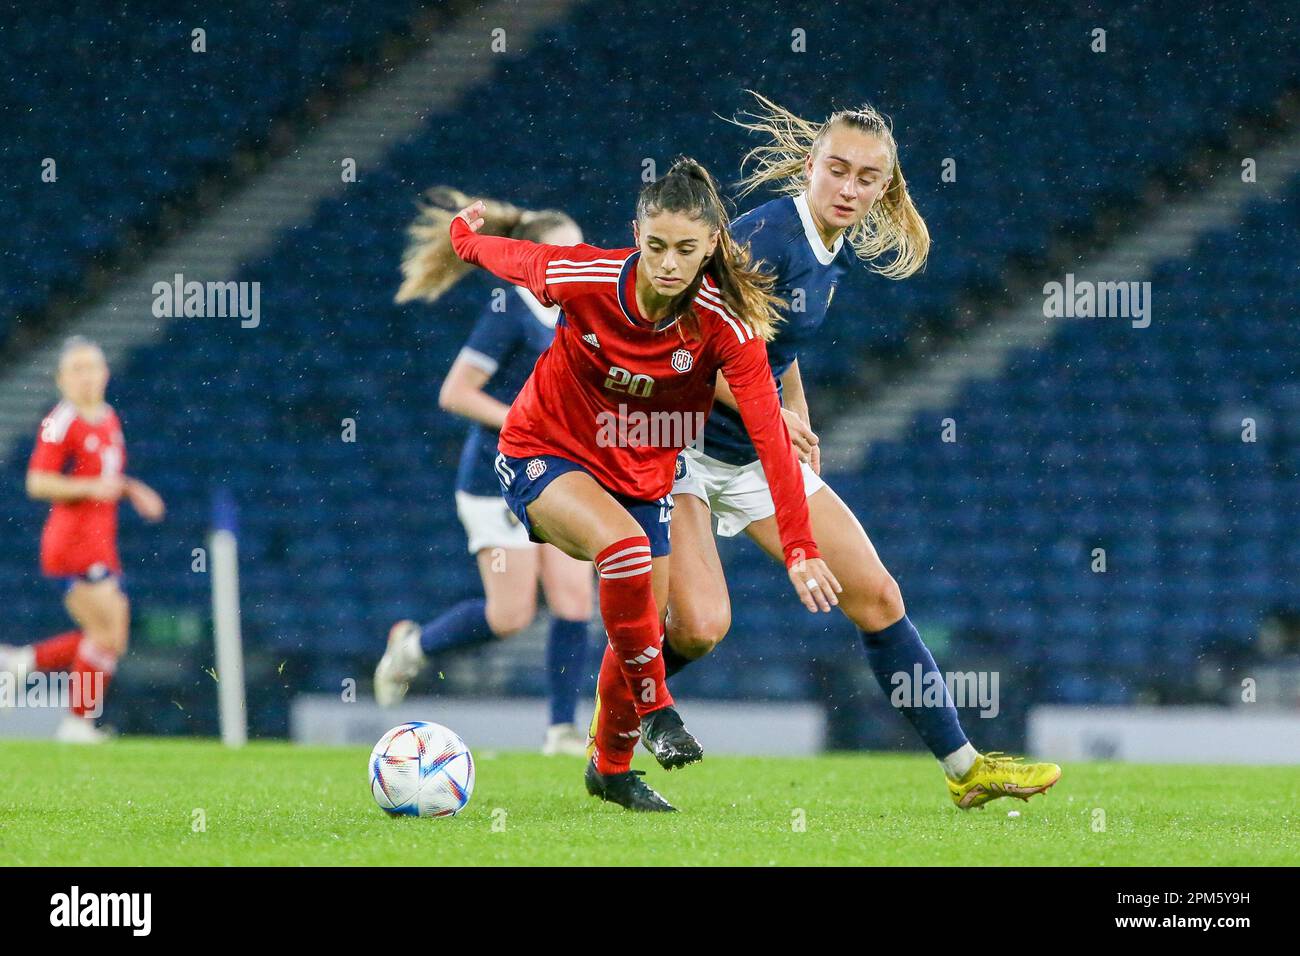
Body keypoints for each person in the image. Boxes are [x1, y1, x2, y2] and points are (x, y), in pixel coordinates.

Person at [592, 94, 1061, 810]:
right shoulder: (764, 239)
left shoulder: (827, 251)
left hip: (750, 453)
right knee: (700, 627)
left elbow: (773, 346)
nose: (850, 188)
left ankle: (966, 770)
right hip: (675, 446)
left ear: (885, 185)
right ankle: (609, 751)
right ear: (811, 168)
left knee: (876, 596)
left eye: (867, 177)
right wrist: (773, 413)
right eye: (837, 170)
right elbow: (684, 350)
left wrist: (795, 416)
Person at [448, 158, 841, 811]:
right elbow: (510, 257)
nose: (668, 262)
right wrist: (463, 236)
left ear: (713, 244)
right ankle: (658, 706)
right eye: (655, 245)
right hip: (545, 452)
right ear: (636, 232)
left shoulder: (728, 326)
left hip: (644, 474)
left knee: (656, 626)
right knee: (625, 553)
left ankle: (611, 769)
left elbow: (770, 437)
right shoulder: (587, 274)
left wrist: (799, 546)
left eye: (686, 249)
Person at [374, 191, 596, 757]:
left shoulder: (582, 313)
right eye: (562, 254)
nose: (575, 262)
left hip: (560, 470)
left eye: (580, 251)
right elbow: (455, 394)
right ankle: (413, 647)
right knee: (511, 614)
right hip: (496, 475)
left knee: (574, 599)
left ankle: (562, 731)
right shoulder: (509, 310)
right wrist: (531, 422)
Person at [0, 337, 165, 743]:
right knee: (106, 635)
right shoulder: (61, 422)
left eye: (92, 367)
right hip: (72, 543)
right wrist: (92, 488)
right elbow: (37, 482)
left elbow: (105, 476)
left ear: (106, 373)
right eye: (77, 369)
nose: (86, 376)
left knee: (113, 637)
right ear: (61, 379)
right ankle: (76, 722)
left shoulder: (107, 416)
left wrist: (131, 489)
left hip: (100, 542)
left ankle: (26, 661)